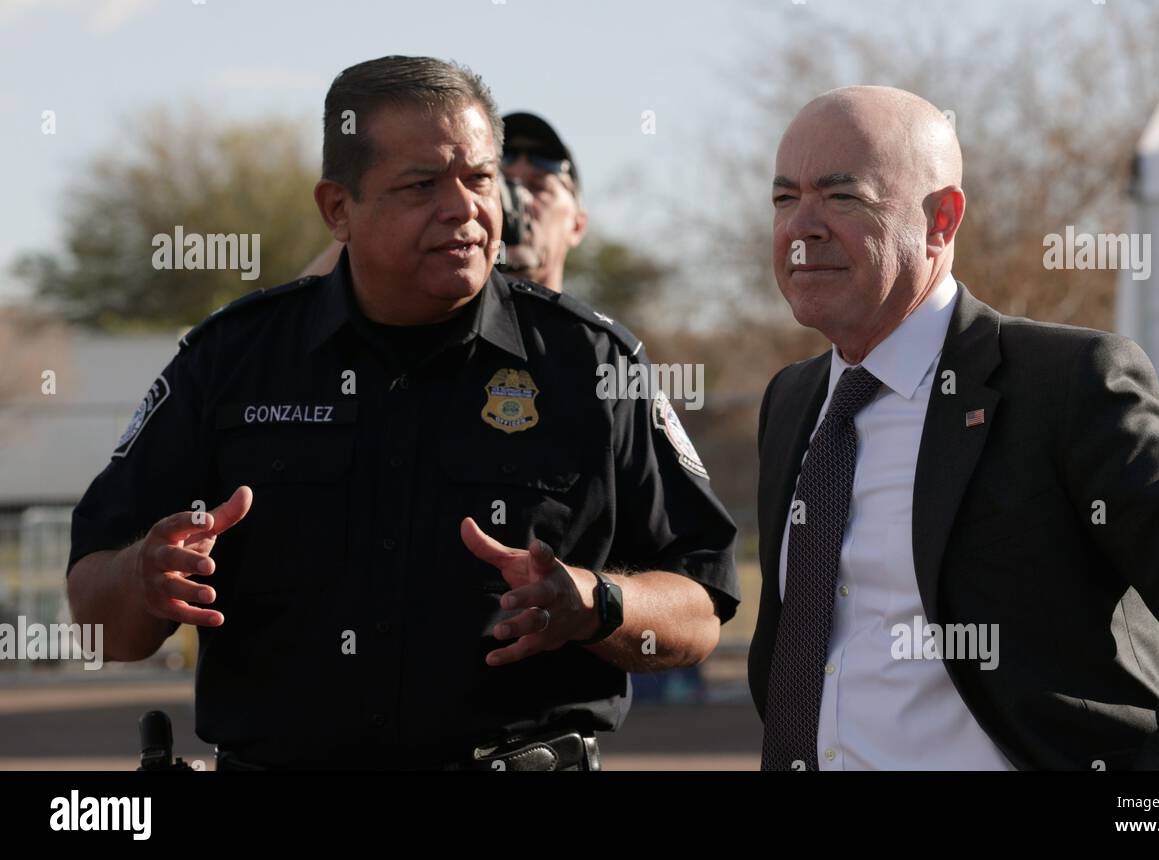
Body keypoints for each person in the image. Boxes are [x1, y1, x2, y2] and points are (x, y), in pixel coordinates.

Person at [66, 55, 739, 771]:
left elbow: (700, 608)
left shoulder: (593, 365)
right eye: (421, 185)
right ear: (338, 209)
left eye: (480, 178)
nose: (465, 209)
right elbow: (99, 619)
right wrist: (145, 575)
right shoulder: (228, 363)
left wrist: (597, 601)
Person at [749, 85, 1159, 770]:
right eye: (783, 199)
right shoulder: (793, 401)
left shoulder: (1065, 386)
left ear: (941, 220)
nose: (802, 227)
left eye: (842, 197)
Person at [298, 111, 587, 294]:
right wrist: (360, 217)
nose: (514, 201)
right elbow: (302, 319)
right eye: (494, 183)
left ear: (577, 225)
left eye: (538, 187)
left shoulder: (592, 352)